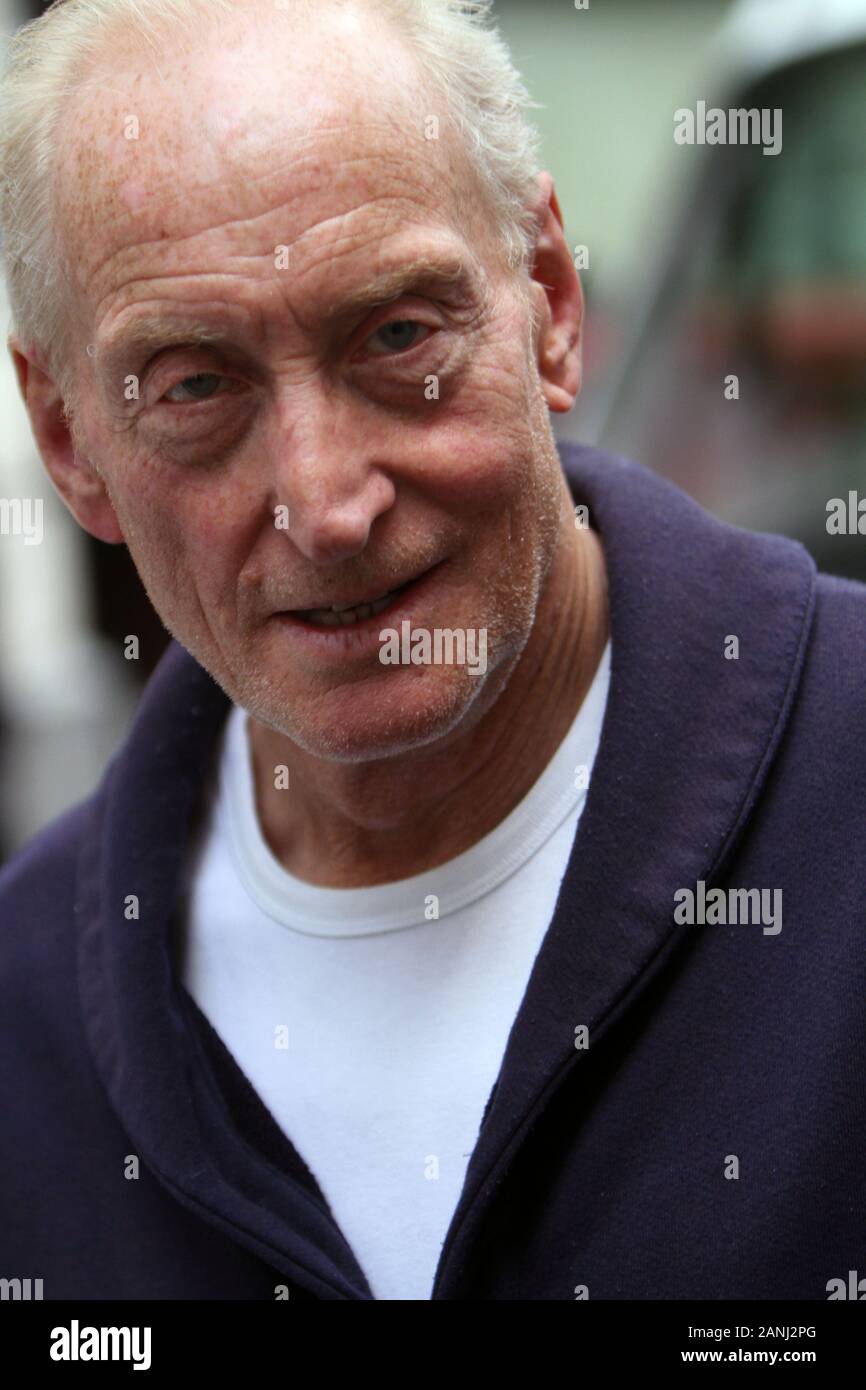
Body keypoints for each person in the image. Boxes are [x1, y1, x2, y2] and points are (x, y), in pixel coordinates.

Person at [0, 0, 863, 1303]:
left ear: (551, 304)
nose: (327, 502)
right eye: (194, 385)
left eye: (397, 336)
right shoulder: (26, 1016)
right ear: (69, 445)